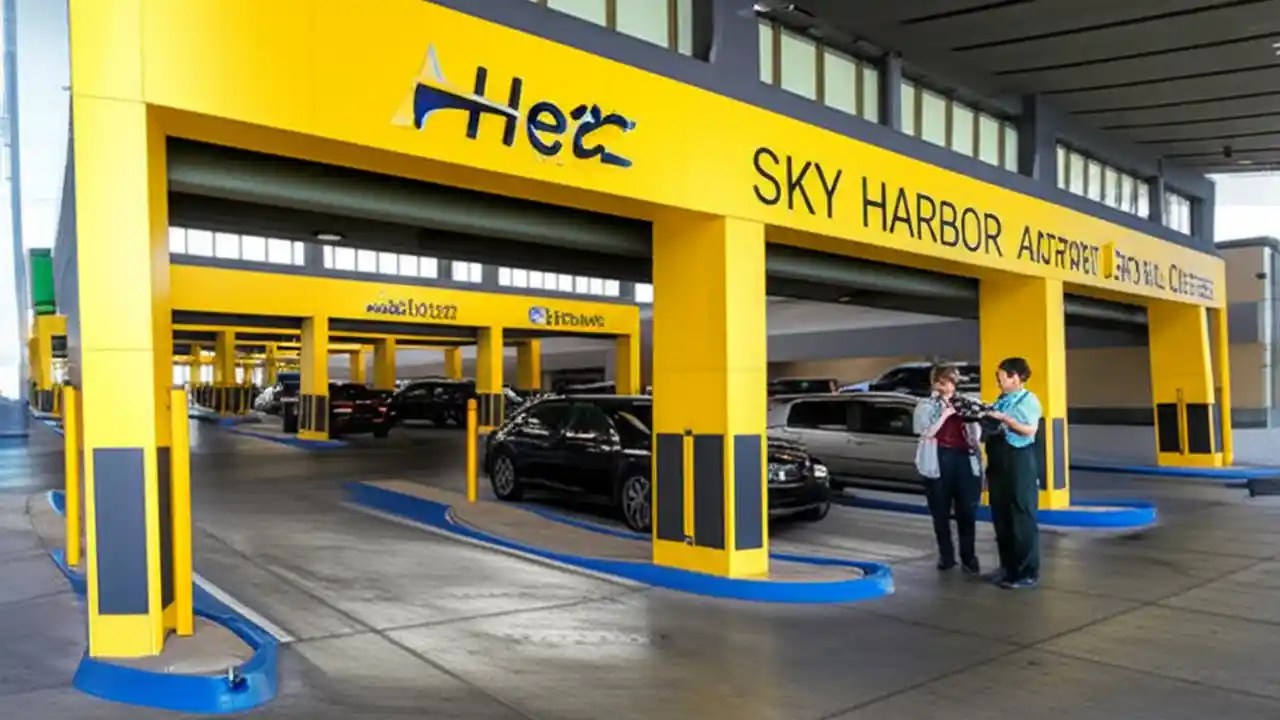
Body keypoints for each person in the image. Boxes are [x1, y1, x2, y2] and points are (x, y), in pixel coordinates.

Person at [913, 365, 983, 574]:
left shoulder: (965, 402)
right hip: (938, 460)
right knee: (940, 513)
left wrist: (971, 414)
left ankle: (969, 557)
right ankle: (946, 556)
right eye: (942, 382)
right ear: (934, 383)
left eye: (950, 382)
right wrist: (944, 413)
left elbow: (976, 432)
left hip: (964, 459)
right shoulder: (925, 406)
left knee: (967, 512)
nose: (946, 387)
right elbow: (926, 432)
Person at [982, 357, 1043, 590]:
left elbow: (1029, 430)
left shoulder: (1029, 401)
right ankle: (1008, 568)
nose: (998, 381)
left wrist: (1005, 419)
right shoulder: (1002, 399)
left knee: (1021, 514)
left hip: (1019, 461)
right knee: (1002, 514)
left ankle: (1027, 572)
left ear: (1015, 377)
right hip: (998, 461)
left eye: (1001, 377)